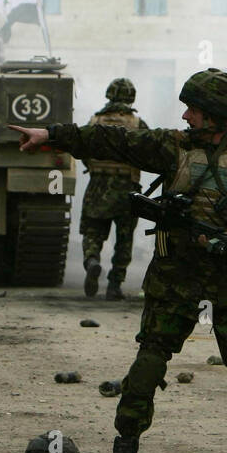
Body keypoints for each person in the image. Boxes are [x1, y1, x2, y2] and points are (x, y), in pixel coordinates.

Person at [10, 69, 227, 453]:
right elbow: (113, 140)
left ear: (215, 114)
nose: (186, 116)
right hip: (175, 273)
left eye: (194, 109)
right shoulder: (172, 147)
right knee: (151, 357)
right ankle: (125, 446)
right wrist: (51, 134)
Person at [79, 77, 148, 299]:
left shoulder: (94, 121)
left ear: (109, 95)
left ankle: (92, 260)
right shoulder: (138, 124)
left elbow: (81, 149)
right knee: (124, 239)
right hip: (127, 189)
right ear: (131, 98)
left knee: (93, 232)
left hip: (97, 185)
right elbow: (149, 153)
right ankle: (114, 286)